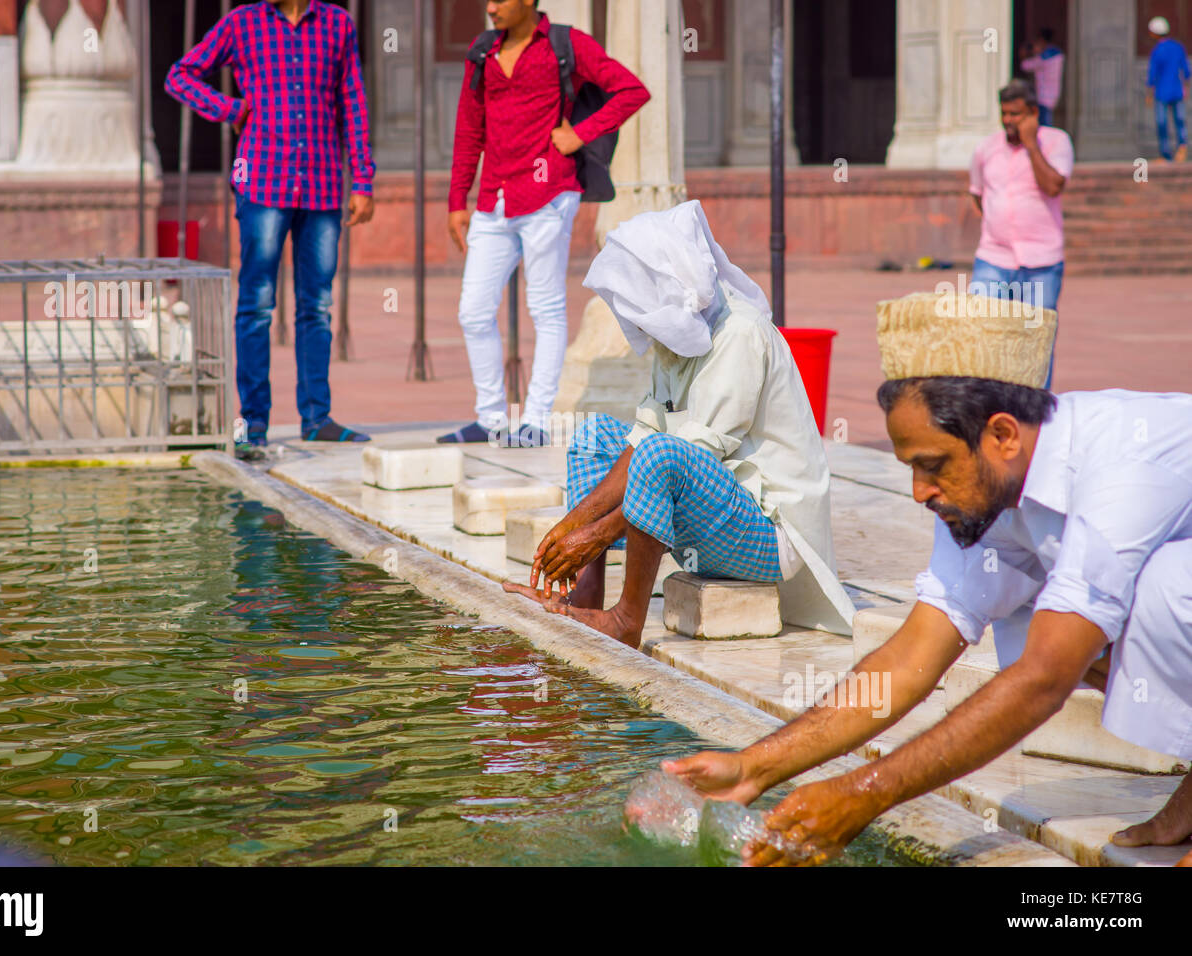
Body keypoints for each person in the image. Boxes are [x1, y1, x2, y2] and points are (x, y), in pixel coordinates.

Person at [665, 290, 1192, 868]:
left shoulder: (1121, 471)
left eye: (932, 465)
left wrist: (863, 795)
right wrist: (754, 767)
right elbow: (913, 654)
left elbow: (1044, 678)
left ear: (1003, 435)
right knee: (1065, 605)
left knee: (1160, 591)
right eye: (912, 467)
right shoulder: (982, 494)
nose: (919, 492)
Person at [502, 201, 857, 647]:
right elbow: (641, 437)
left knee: (661, 458)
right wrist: (572, 526)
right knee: (594, 436)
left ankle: (627, 621)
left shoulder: (741, 334)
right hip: (713, 517)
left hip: (769, 535)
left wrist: (594, 534)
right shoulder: (677, 337)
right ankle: (588, 594)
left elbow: (683, 455)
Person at [166, 0, 377, 461]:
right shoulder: (243, 23)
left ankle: (317, 418)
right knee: (257, 302)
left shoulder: (337, 24)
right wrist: (230, 108)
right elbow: (180, 75)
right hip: (262, 181)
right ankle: (253, 421)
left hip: (321, 184)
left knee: (316, 305)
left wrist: (362, 179)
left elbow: (353, 103)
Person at [439, 0, 649, 447]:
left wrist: (580, 133)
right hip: (493, 198)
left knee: (546, 308)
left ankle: (534, 419)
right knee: (473, 311)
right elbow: (468, 127)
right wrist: (458, 198)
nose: (491, 7)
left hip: (549, 193)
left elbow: (632, 90)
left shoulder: (564, 44)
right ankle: (491, 419)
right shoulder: (482, 51)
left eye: (500, 0)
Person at [968, 79, 1072, 389]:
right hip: (993, 258)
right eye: (1005, 114)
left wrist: (1031, 146)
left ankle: (1033, 416)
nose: (1009, 121)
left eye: (1016, 114)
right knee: (983, 332)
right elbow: (978, 195)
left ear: (1033, 112)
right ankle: (988, 408)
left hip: (1042, 261)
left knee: (1035, 340)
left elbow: (1053, 185)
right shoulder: (986, 149)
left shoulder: (1056, 142)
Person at [1146, 16, 1190, 162]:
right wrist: (1185, 87)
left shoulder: (1157, 50)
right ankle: (1182, 147)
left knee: (1162, 123)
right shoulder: (1178, 47)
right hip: (1177, 90)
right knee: (1180, 121)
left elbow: (1152, 74)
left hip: (1162, 92)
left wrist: (1149, 93)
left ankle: (1165, 154)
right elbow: (1186, 70)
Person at [1018, 28, 1064, 127]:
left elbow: (1025, 66)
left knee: (1044, 127)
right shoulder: (1057, 54)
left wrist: (1024, 54)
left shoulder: (1046, 57)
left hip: (1044, 97)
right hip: (1051, 96)